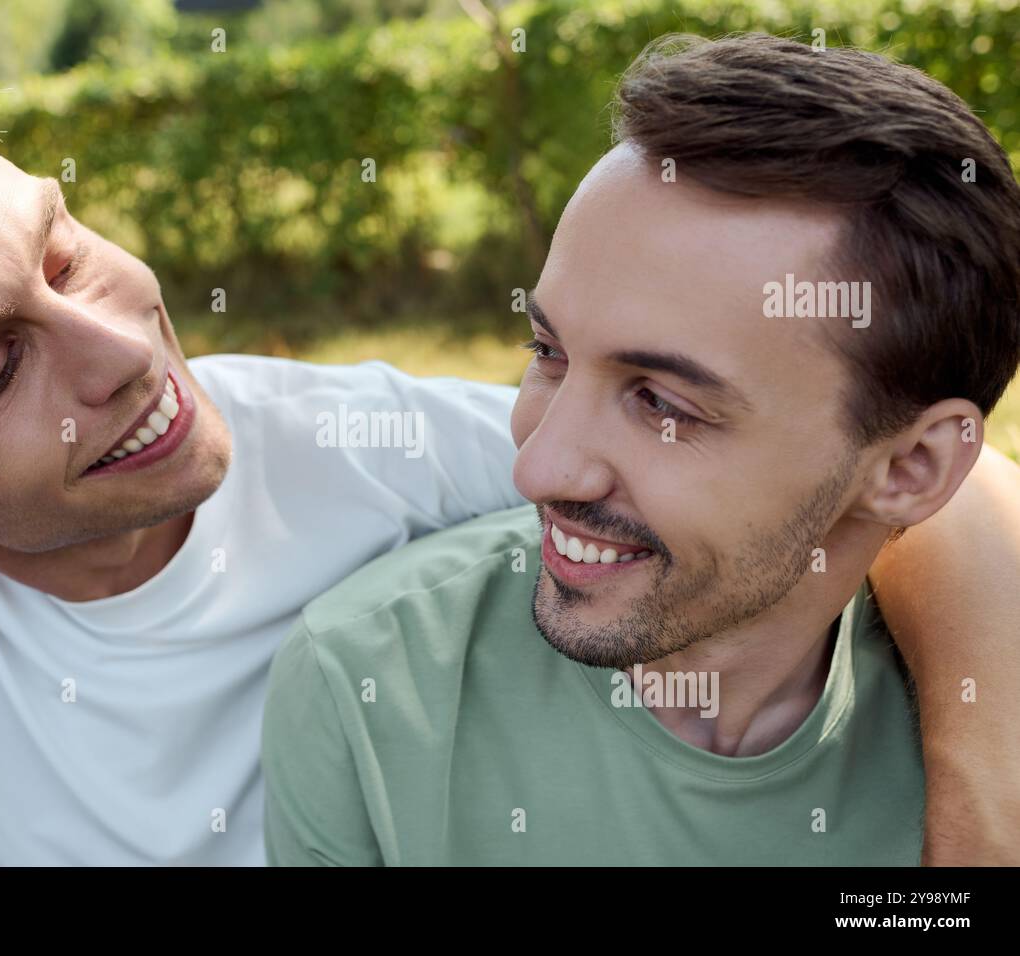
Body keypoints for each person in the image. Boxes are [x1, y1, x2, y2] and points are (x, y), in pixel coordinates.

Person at [261, 34, 1020, 866]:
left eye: (662, 404)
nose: (538, 470)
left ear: (910, 468)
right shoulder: (372, 689)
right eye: (547, 351)